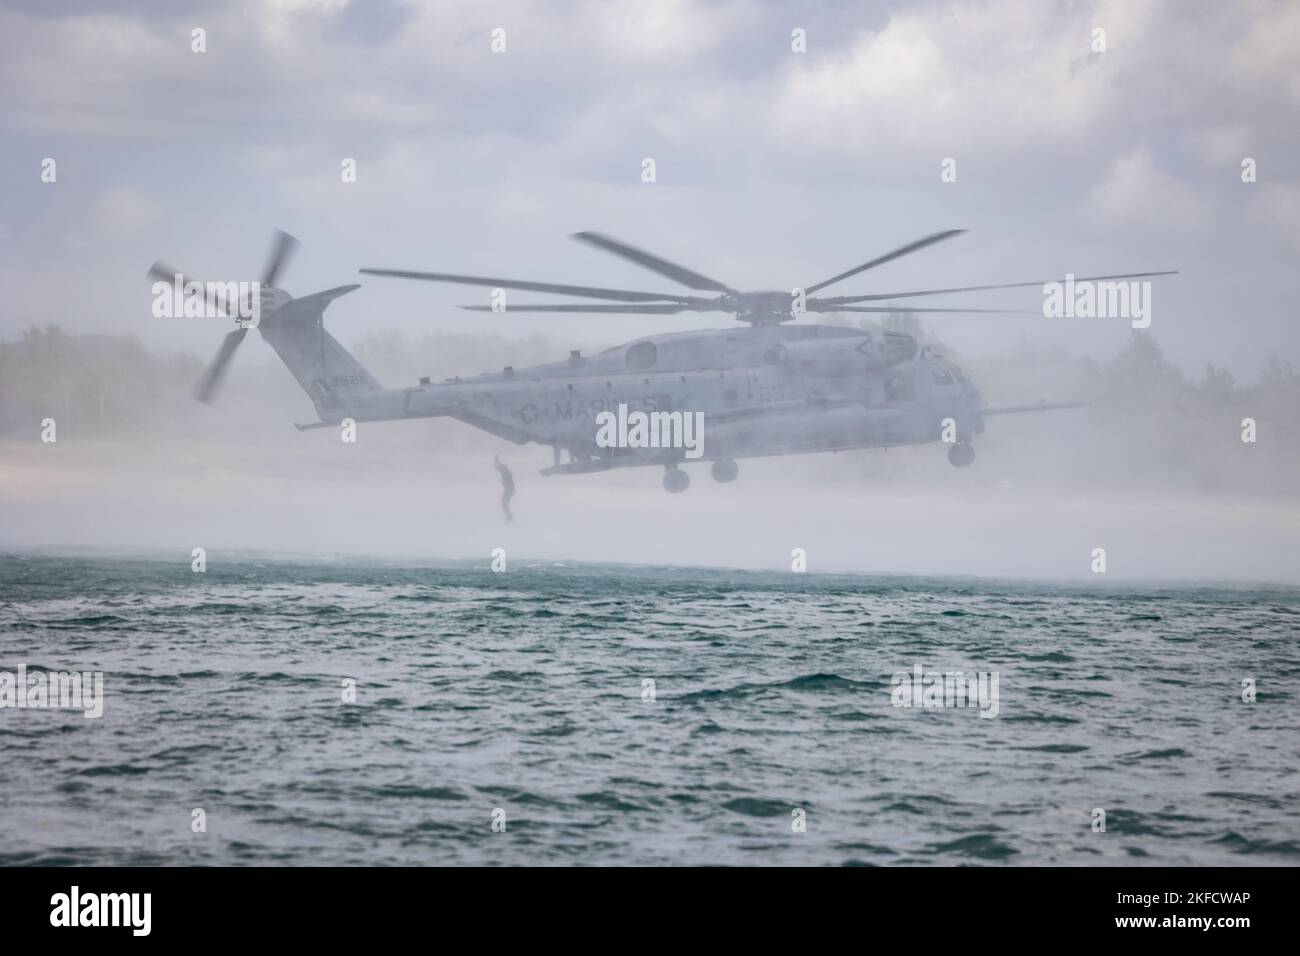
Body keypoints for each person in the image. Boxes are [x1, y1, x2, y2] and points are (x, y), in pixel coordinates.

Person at [494, 455, 515, 523]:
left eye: (502, 467)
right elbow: (497, 467)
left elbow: (499, 467)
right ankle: (508, 516)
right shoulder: (503, 471)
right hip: (508, 490)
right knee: (504, 502)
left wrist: (497, 462)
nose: (500, 468)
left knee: (504, 502)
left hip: (510, 489)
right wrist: (496, 460)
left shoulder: (507, 472)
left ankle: (509, 516)